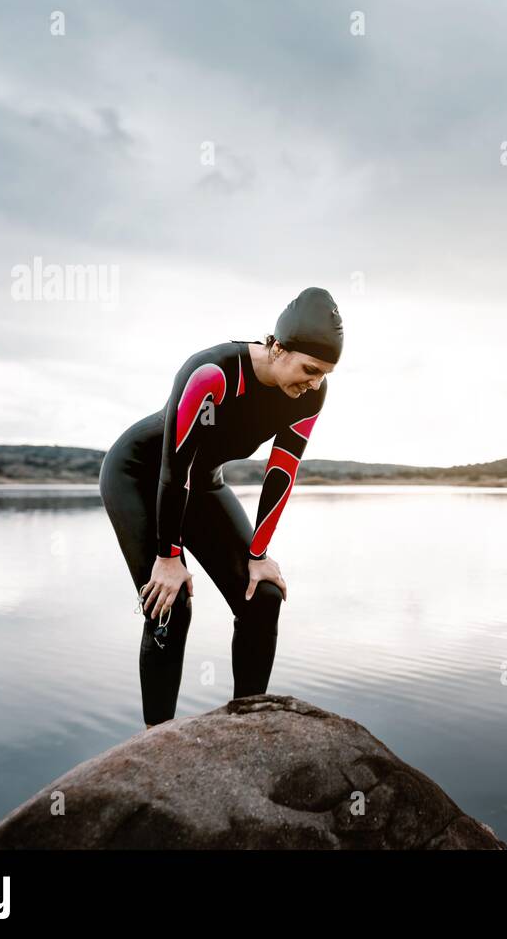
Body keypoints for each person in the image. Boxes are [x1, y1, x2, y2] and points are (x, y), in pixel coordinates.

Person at [98, 287, 343, 729]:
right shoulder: (211, 373)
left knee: (262, 596)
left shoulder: (310, 395)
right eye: (309, 369)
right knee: (170, 605)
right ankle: (157, 741)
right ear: (276, 347)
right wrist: (169, 558)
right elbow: (174, 472)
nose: (314, 383)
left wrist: (259, 555)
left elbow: (282, 472)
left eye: (323, 374)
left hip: (203, 484)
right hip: (139, 475)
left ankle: (244, 730)